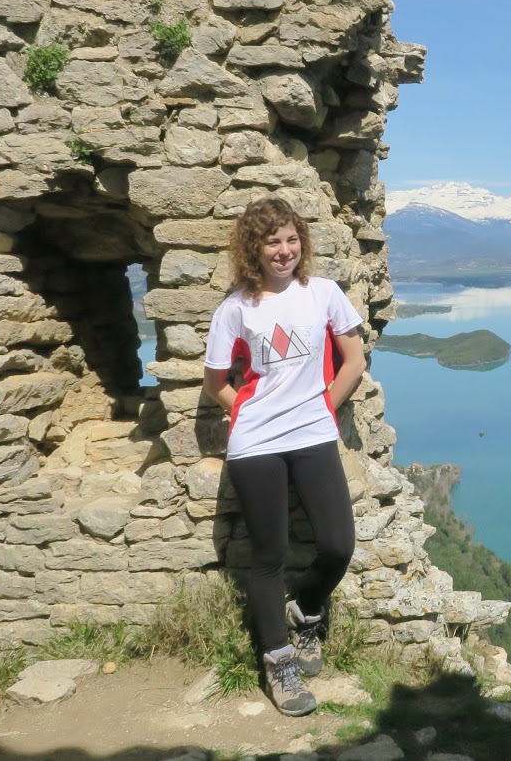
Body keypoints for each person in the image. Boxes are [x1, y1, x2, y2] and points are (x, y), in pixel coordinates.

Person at [202, 196, 368, 717]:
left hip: (314, 433)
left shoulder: (324, 293)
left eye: (292, 239)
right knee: (268, 556)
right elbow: (214, 384)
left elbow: (354, 360)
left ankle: (309, 609)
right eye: (272, 241)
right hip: (256, 444)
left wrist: (322, 407)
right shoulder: (234, 308)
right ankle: (280, 663)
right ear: (253, 248)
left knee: (338, 544)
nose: (284, 250)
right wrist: (248, 417)